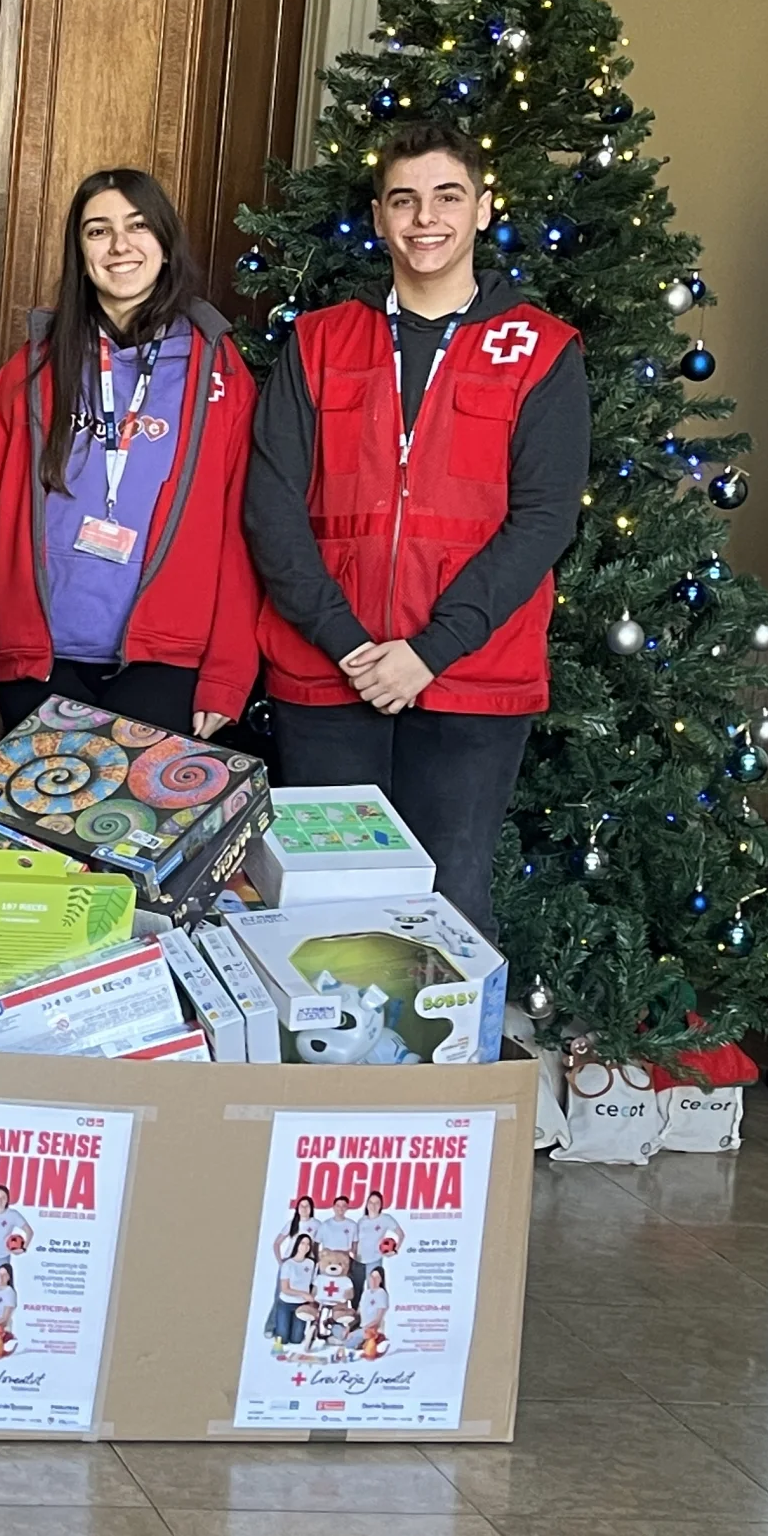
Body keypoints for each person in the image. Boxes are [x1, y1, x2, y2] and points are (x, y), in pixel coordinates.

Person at [246, 121, 587, 935]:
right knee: (327, 907)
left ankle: (443, 1069)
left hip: (473, 677)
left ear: (481, 208)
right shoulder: (319, 341)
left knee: (451, 901)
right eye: (404, 200)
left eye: (446, 196)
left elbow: (542, 522)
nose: (424, 218)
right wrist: (348, 644)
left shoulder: (542, 350)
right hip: (331, 671)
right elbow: (271, 505)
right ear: (377, 218)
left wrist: (428, 653)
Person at [0, 169, 260, 746]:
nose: (119, 246)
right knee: (44, 837)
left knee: (130, 838)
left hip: (165, 664)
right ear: (79, 251)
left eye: (137, 226)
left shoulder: (221, 372)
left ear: (165, 244)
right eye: (98, 231)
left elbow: (241, 534)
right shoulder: (30, 372)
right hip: (39, 660)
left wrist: (226, 676)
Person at [270, 1234, 318, 1344]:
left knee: (296, 1339)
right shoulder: (288, 1264)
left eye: (308, 1244)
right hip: (286, 1303)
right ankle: (277, 1328)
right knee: (283, 1339)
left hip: (301, 1305)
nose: (305, 1246)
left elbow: (313, 1283)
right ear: (297, 1245)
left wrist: (312, 1299)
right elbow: (285, 1289)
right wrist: (303, 1294)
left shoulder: (311, 1264)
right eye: (302, 1243)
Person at [356, 1189, 403, 1288]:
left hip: (374, 1259)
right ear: (367, 1204)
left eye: (377, 1203)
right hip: (359, 1261)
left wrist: (395, 1250)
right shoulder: (361, 1221)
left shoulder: (385, 1219)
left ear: (381, 1205)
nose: (373, 1206)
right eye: (371, 1202)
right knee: (357, 1293)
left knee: (373, 1289)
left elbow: (401, 1234)